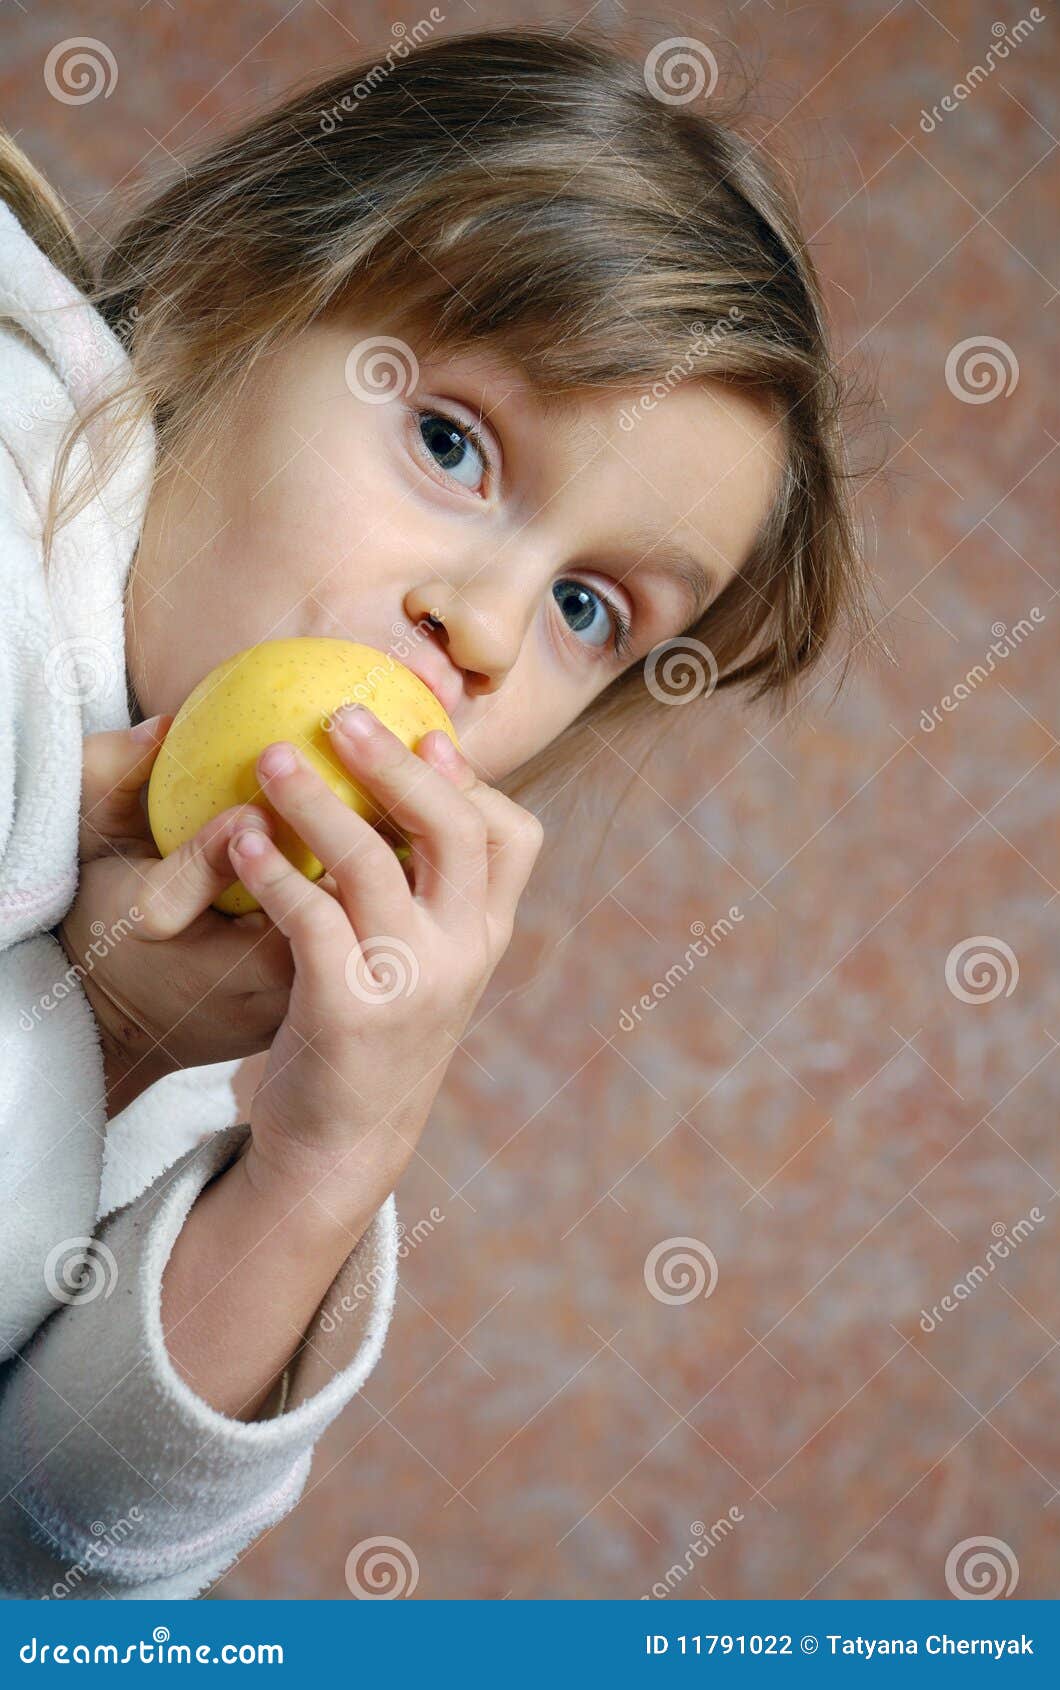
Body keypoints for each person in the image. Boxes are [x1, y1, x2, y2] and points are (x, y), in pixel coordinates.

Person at [0, 25, 874, 1599]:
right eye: (452, 439)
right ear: (225, 298)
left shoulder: (226, 995)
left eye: (590, 609)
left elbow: (50, 1562)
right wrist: (89, 1029)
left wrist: (316, 1162)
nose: (484, 627)